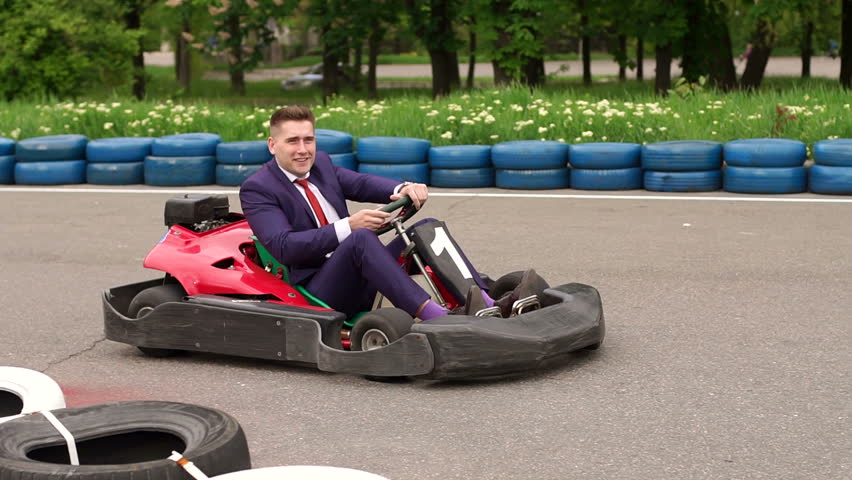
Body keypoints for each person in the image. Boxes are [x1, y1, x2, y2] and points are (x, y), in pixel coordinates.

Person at [240, 106, 541, 322]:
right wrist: (349, 226)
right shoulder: (258, 188)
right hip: (318, 290)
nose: (303, 149)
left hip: (361, 270)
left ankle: (485, 303)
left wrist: (404, 187)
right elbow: (285, 246)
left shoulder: (321, 164)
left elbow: (359, 183)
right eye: (293, 141)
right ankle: (438, 318)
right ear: (272, 144)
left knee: (426, 227)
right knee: (359, 239)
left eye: (309, 139)